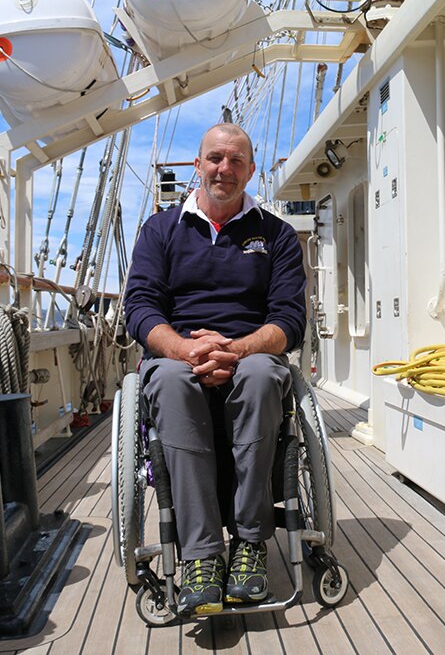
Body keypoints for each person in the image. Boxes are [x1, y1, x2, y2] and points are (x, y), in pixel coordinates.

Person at [123, 123, 307, 617]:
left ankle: (249, 544)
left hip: (249, 359)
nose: (224, 168)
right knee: (165, 378)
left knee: (265, 375)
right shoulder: (160, 231)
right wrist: (185, 351)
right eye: (215, 158)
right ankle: (202, 555)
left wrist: (238, 350)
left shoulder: (278, 236)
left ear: (250, 170)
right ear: (199, 164)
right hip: (181, 357)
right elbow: (140, 308)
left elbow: (289, 319)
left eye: (236, 160)